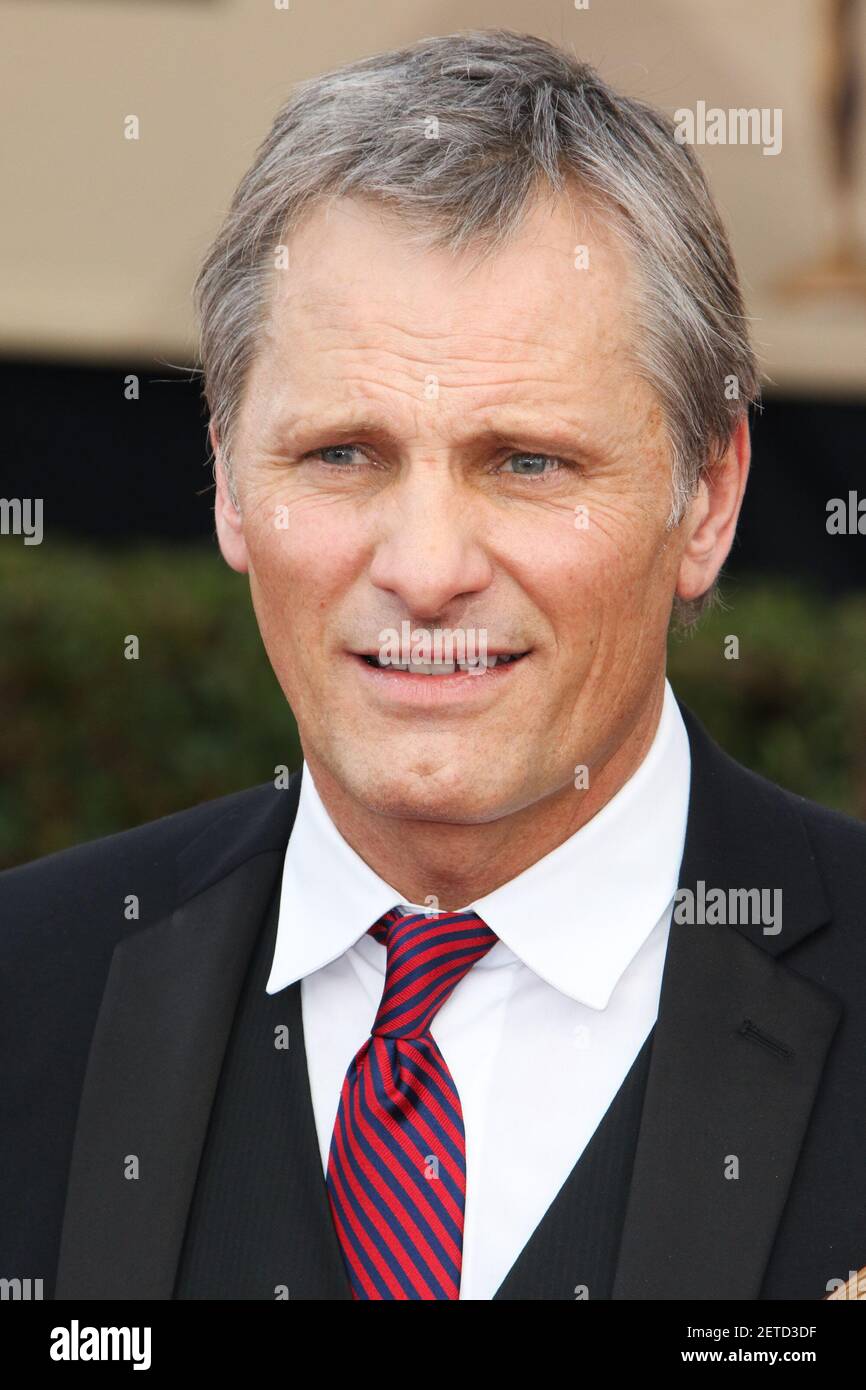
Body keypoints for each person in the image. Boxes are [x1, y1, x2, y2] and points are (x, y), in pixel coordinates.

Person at [2, 28, 865, 1302]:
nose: (423, 565)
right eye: (342, 453)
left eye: (525, 461)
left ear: (708, 495)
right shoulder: (28, 994)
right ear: (229, 477)